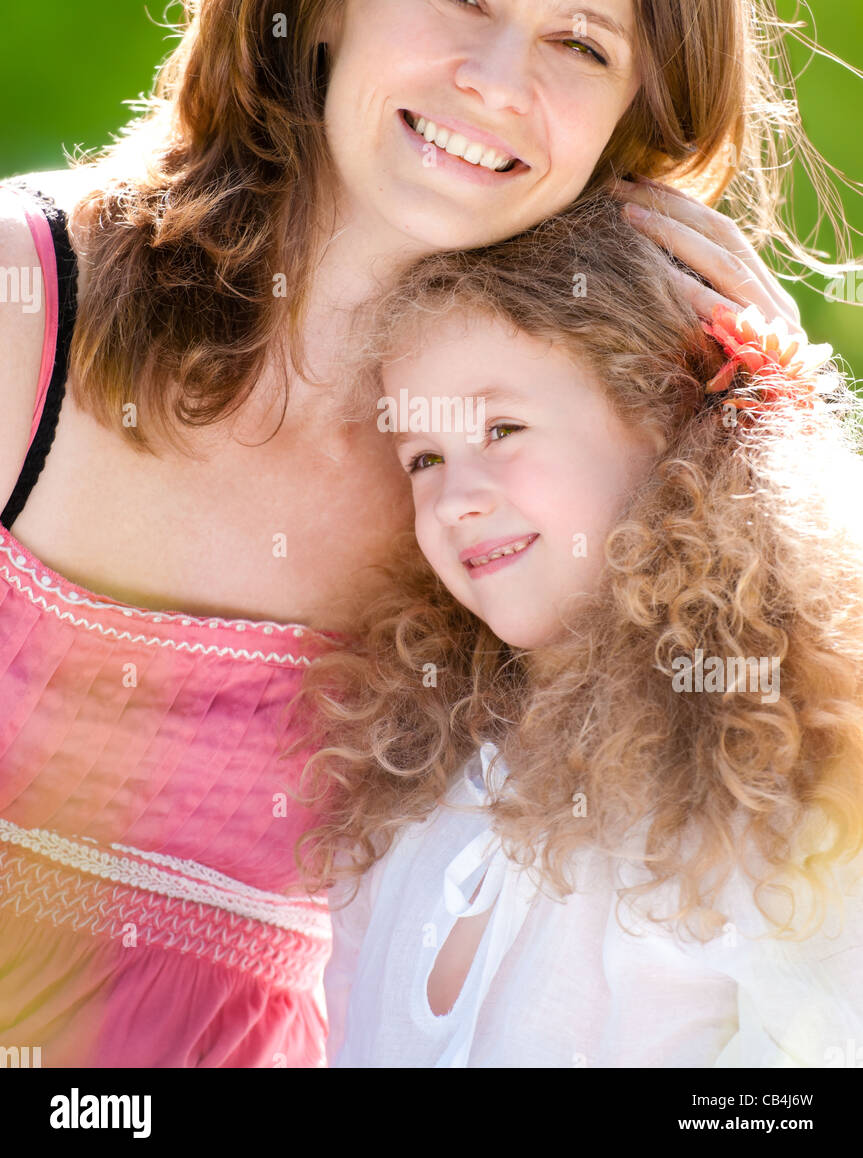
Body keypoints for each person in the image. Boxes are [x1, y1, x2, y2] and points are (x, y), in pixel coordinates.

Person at [0, 0, 852, 1065]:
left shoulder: (573, 470)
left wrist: (769, 425)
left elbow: (786, 817)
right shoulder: (30, 308)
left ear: (631, 111)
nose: (496, 79)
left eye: (582, 43)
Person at [296, 193, 863, 1068]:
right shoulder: (413, 778)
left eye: (502, 427)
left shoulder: (790, 790)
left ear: (668, 414)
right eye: (423, 457)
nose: (455, 496)